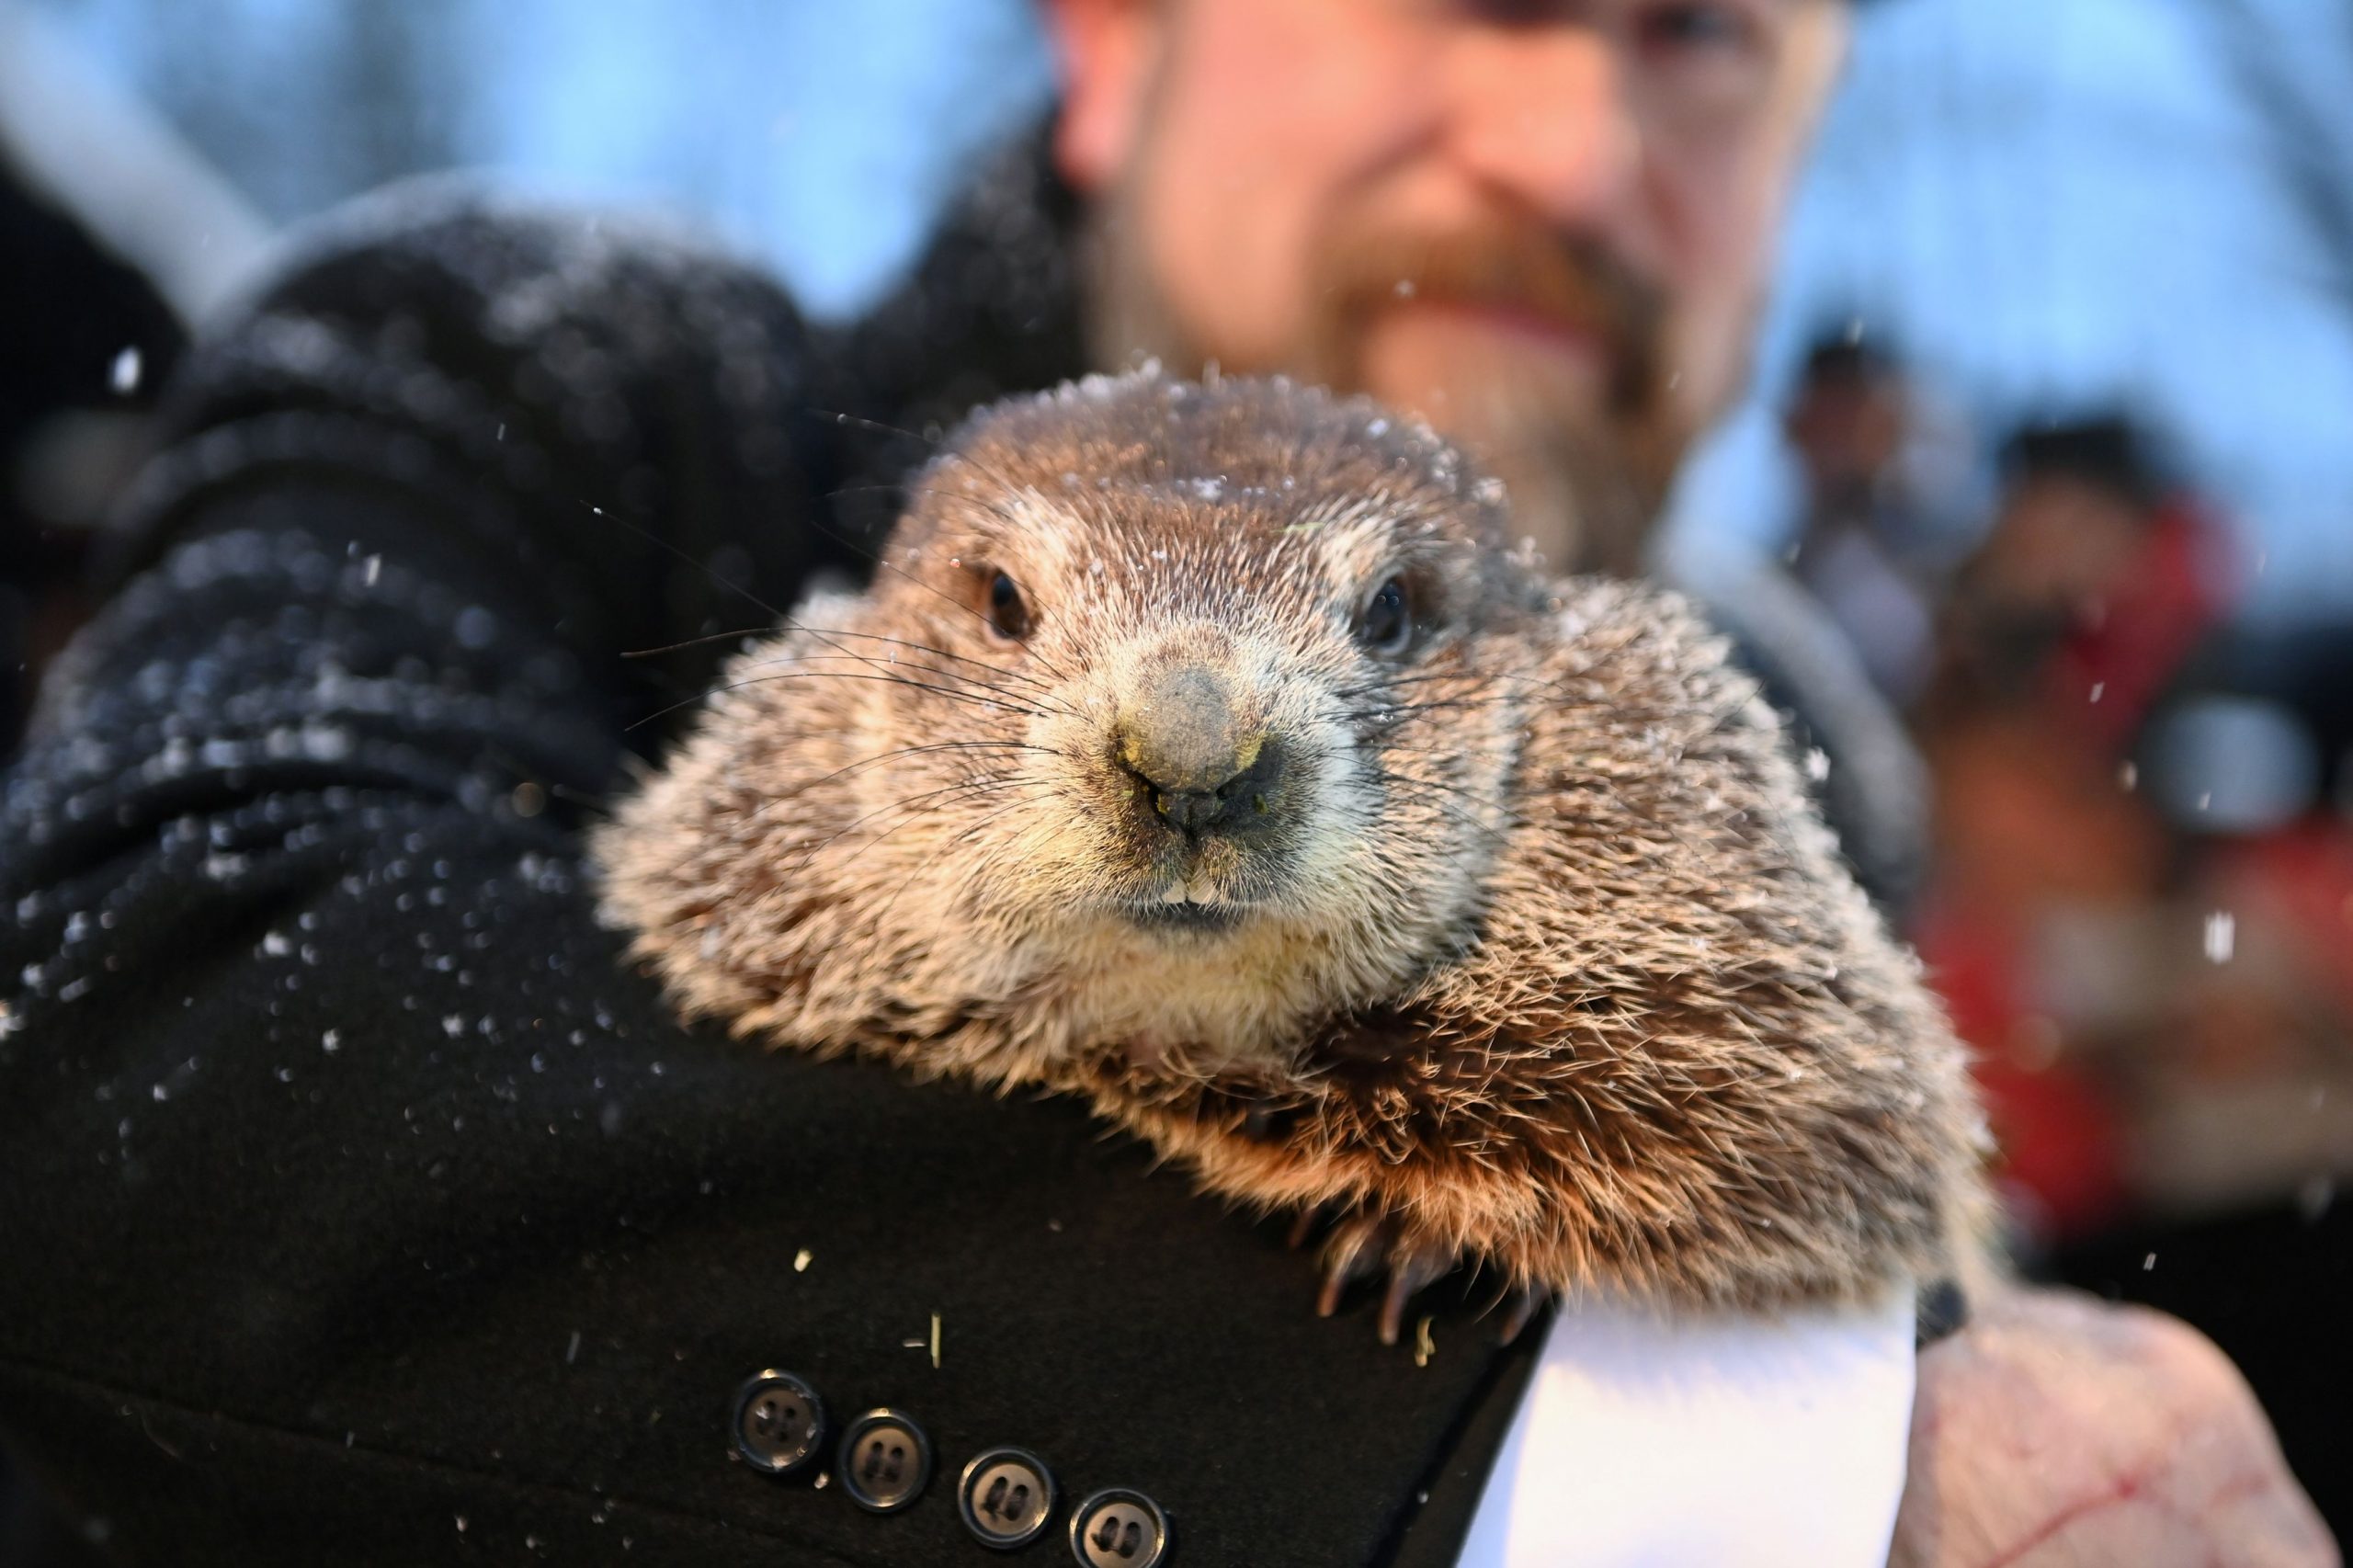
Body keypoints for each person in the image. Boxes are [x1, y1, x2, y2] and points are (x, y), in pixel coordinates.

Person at [0, 2, 2334, 1564]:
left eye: (1705, 41)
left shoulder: (1778, 713)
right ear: (1111, 39)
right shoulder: (565, 389)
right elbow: (127, 1056)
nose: (1574, 149)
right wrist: (1730, 1472)